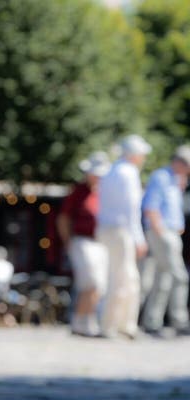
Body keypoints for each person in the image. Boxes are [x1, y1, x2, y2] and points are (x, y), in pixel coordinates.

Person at [96, 134, 150, 339]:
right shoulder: (128, 173)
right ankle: (118, 326)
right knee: (124, 279)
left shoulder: (111, 172)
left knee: (119, 278)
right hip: (121, 231)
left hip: (107, 230)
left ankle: (120, 325)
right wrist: (139, 238)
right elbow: (132, 210)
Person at [57, 152, 110, 336]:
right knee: (90, 282)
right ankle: (81, 320)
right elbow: (63, 219)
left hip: (101, 242)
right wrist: (69, 242)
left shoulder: (105, 191)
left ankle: (86, 320)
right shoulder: (79, 192)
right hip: (82, 241)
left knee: (99, 285)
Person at [140, 145, 190, 336]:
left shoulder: (175, 180)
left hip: (170, 233)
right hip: (163, 233)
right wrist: (162, 233)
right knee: (180, 277)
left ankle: (152, 321)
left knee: (164, 279)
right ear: (179, 163)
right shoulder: (161, 177)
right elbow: (151, 207)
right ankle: (180, 320)